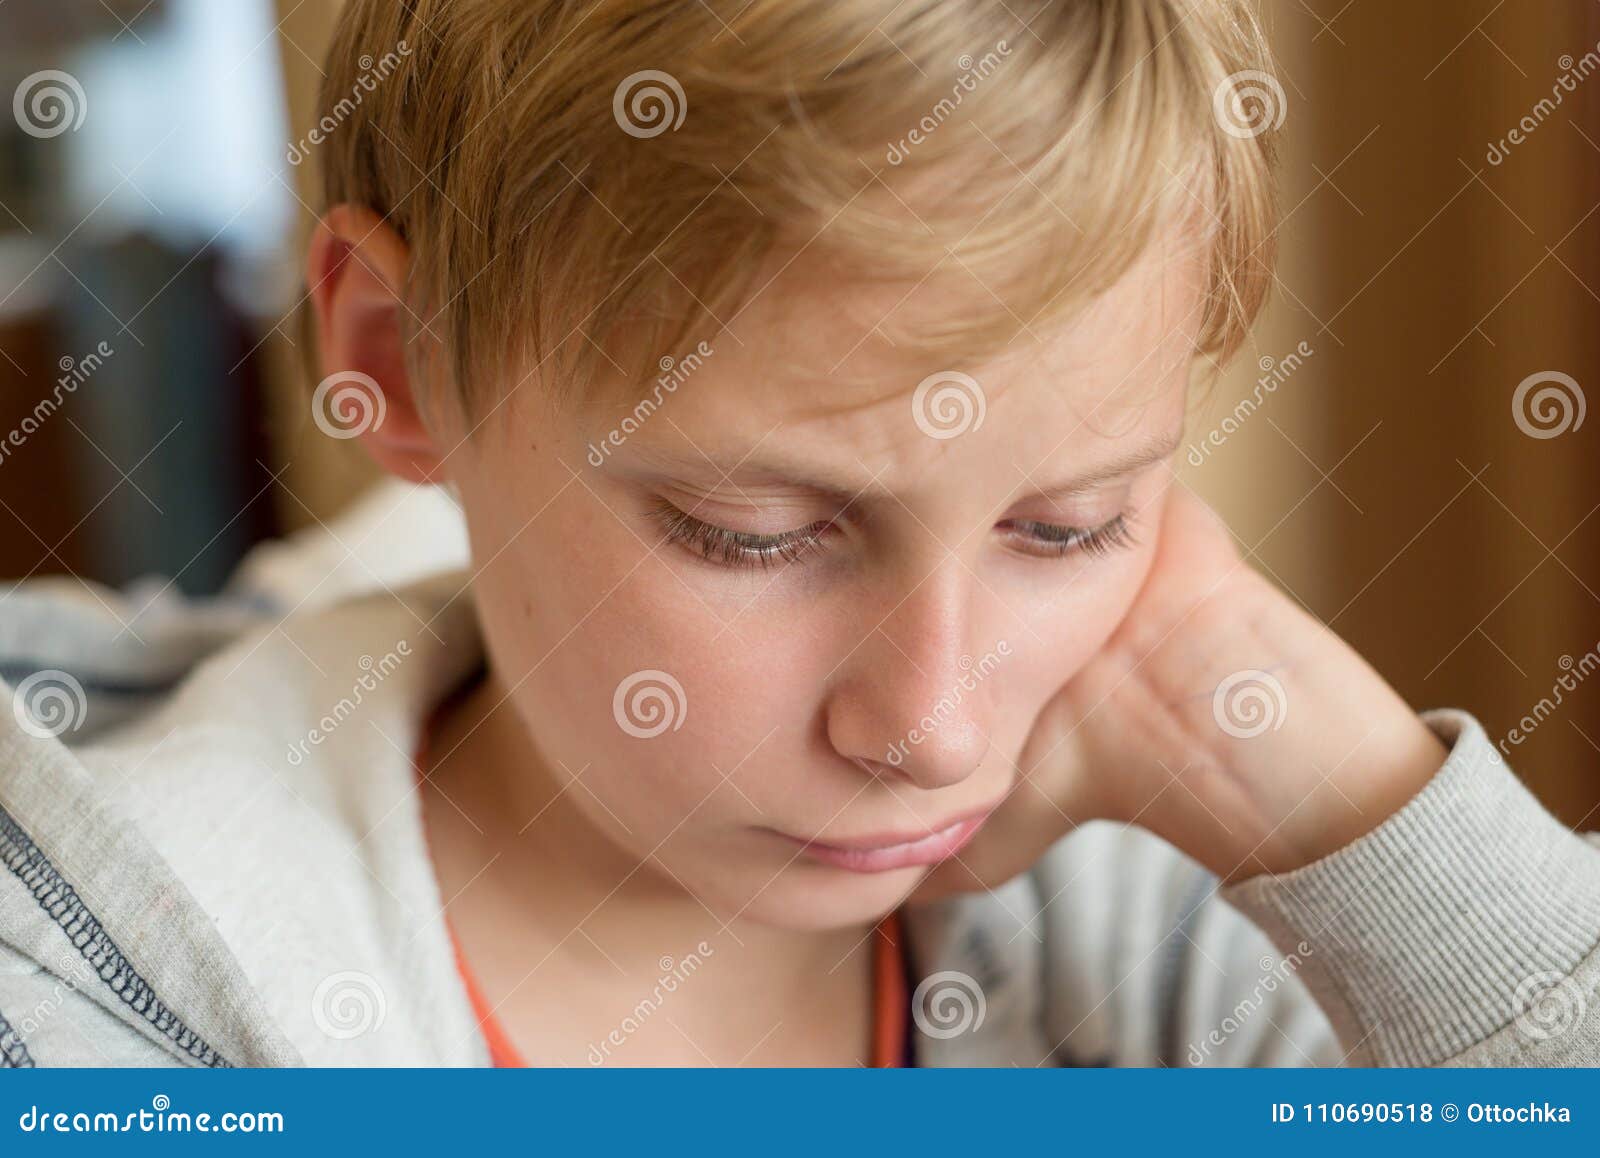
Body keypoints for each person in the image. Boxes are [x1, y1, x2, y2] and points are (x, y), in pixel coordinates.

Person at [1, 0, 1596, 1068]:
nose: (935, 726)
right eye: (752, 532)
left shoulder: (1157, 922)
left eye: (1070, 524)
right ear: (398, 364)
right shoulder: (82, 981)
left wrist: (1337, 796)